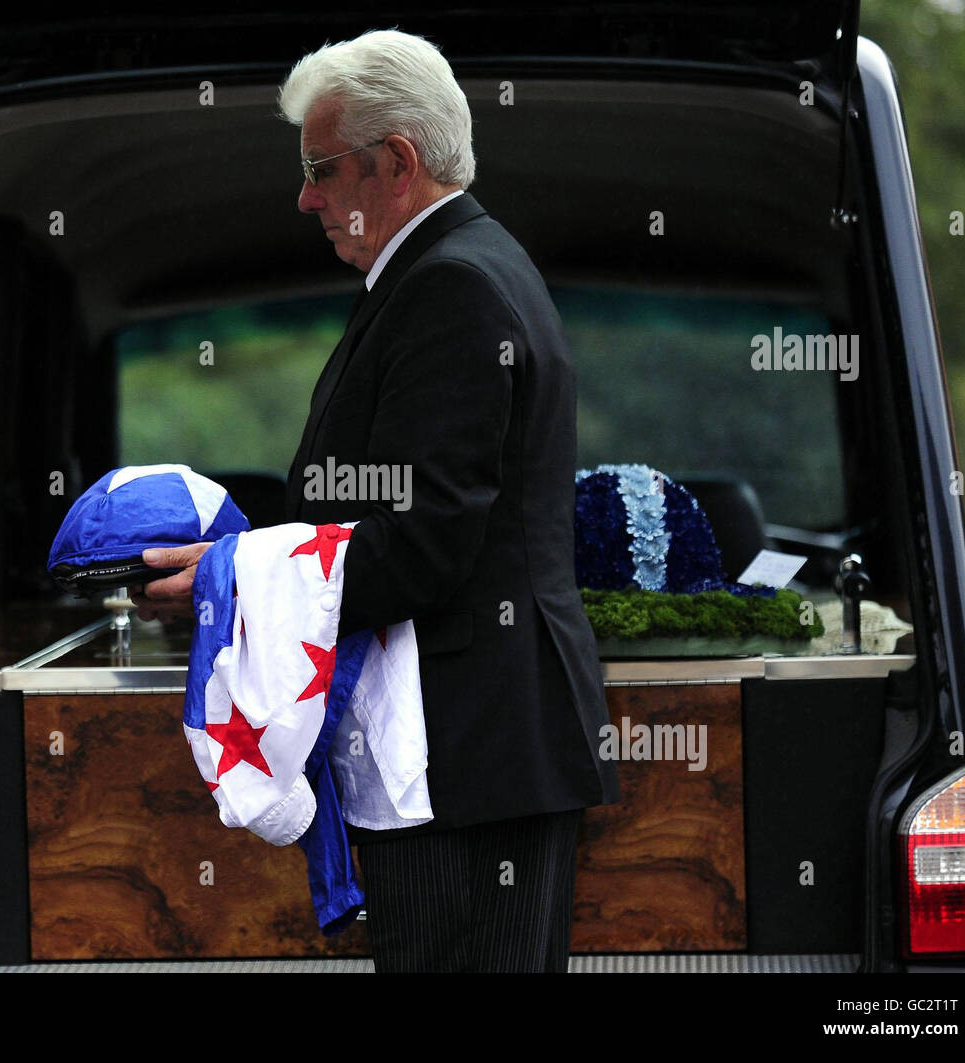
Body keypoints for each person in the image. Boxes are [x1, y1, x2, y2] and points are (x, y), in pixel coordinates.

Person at [134, 28, 618, 972]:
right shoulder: (456, 270)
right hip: (480, 755)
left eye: (322, 168)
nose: (306, 195)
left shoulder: (451, 288)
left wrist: (235, 577)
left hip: (471, 762)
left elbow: (427, 541)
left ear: (394, 162)